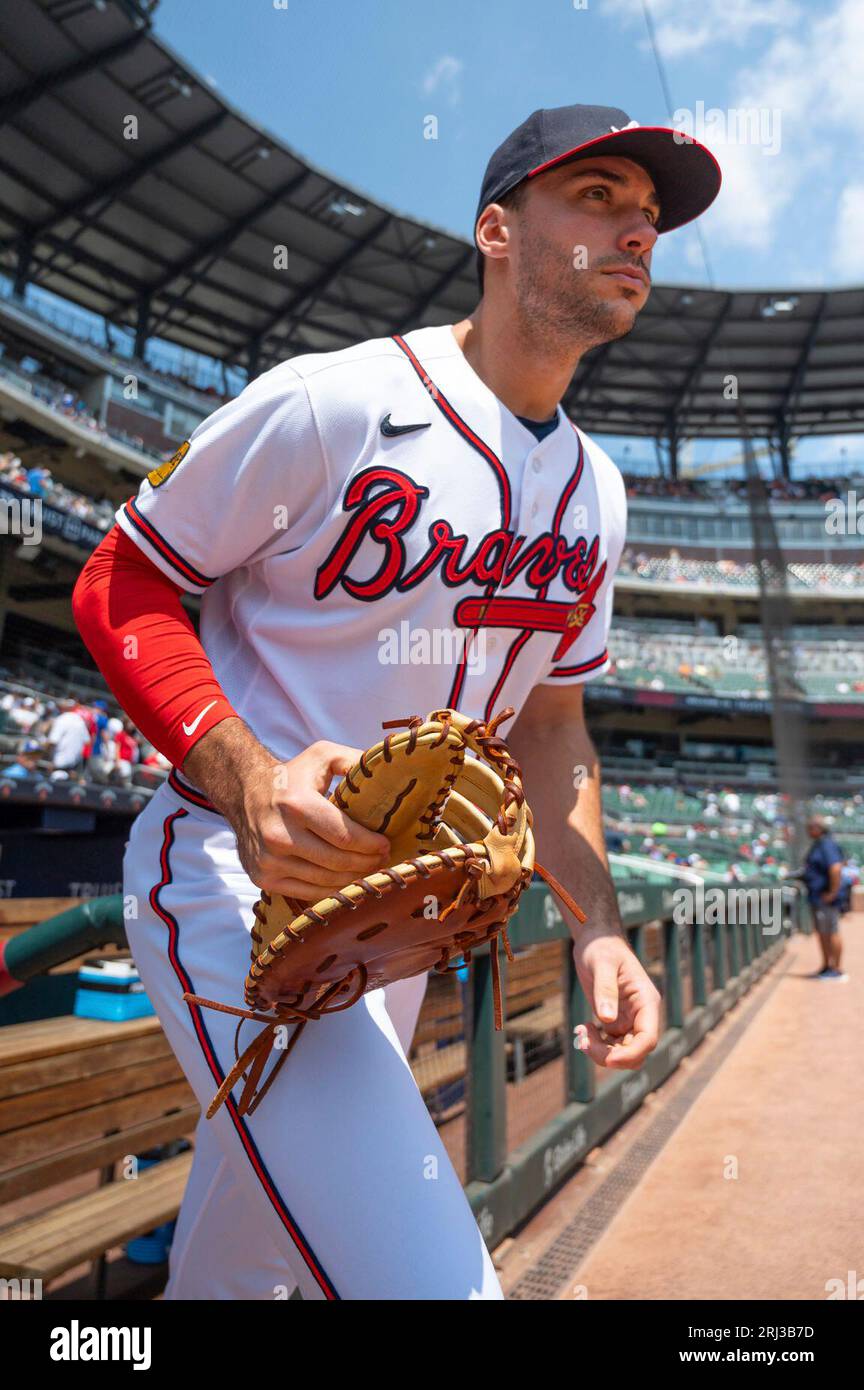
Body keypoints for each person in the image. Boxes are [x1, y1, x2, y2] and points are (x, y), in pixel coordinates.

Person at [73, 102, 719, 1301]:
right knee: (432, 1282)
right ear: (496, 230)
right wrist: (248, 774)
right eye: (600, 197)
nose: (638, 230)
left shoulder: (597, 497)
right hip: (232, 880)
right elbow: (124, 579)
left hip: (397, 929)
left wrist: (598, 923)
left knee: (238, 1278)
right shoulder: (337, 402)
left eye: (650, 218)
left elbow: (552, 726)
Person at [800, 816, 848, 980]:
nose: (808, 830)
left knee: (831, 932)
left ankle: (836, 969)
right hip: (819, 896)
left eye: (810, 827)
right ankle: (827, 966)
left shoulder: (827, 844)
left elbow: (835, 869)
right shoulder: (820, 844)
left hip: (826, 897)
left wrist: (832, 893)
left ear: (819, 828)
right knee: (823, 932)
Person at [46, 698, 90, 775]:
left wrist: (49, 760)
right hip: (74, 766)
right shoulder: (80, 720)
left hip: (58, 764)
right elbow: (88, 742)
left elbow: (52, 742)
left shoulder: (62, 719)